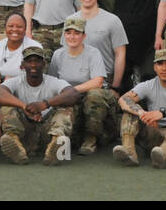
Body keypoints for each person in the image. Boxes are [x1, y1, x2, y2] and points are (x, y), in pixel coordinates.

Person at [0, 46, 80, 165]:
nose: (33, 65)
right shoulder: (15, 81)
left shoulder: (53, 81)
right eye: (29, 61)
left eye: (37, 61)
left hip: (47, 132)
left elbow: (73, 94)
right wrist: (24, 107)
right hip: (25, 132)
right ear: (22, 66)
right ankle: (15, 143)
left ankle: (56, 144)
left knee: (66, 107)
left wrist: (45, 104)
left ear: (44, 64)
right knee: (6, 107)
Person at [48, 16, 119, 156]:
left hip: (92, 100)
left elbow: (98, 81)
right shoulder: (58, 55)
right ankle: (58, 146)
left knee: (95, 94)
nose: (72, 36)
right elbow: (52, 82)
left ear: (84, 35)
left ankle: (90, 138)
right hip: (71, 102)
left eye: (77, 33)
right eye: (68, 33)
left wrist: (71, 91)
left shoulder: (93, 53)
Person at [0, 12, 42, 145]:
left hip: (29, 94)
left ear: (26, 28)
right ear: (4, 28)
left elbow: (36, 80)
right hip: (4, 96)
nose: (15, 30)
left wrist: (11, 82)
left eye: (19, 26)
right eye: (11, 26)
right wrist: (5, 78)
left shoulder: (35, 47)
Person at [68, 0, 129, 94]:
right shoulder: (70, 20)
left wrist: (115, 87)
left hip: (103, 81)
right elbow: (66, 52)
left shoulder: (112, 20)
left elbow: (120, 54)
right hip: (75, 80)